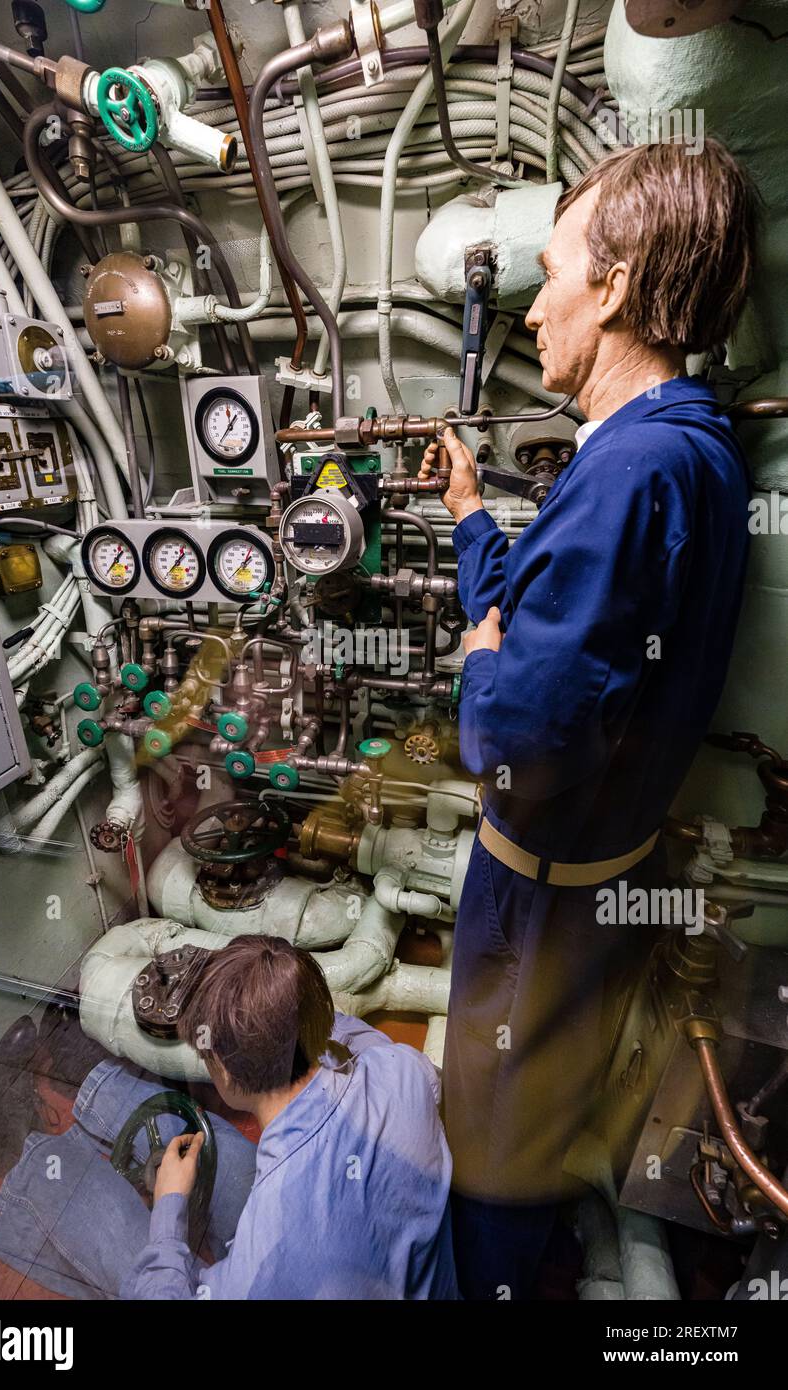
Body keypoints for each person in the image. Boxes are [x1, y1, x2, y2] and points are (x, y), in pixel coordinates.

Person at [417, 138, 759, 1299]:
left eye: (550, 274)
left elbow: (512, 738)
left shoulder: (627, 475)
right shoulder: (684, 446)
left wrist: (479, 665)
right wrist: (472, 519)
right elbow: (553, 623)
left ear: (609, 289)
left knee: (493, 1135)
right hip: (602, 879)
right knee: (548, 1106)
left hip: (537, 904)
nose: (528, 310)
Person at [0, 934, 457, 1300]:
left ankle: (24, 1151)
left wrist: (169, 1207)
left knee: (80, 1197)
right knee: (214, 1148)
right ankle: (94, 1083)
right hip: (363, 1253)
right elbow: (344, 1035)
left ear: (222, 1073)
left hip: (298, 1267)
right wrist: (264, 996)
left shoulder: (269, 1261)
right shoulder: (402, 1070)